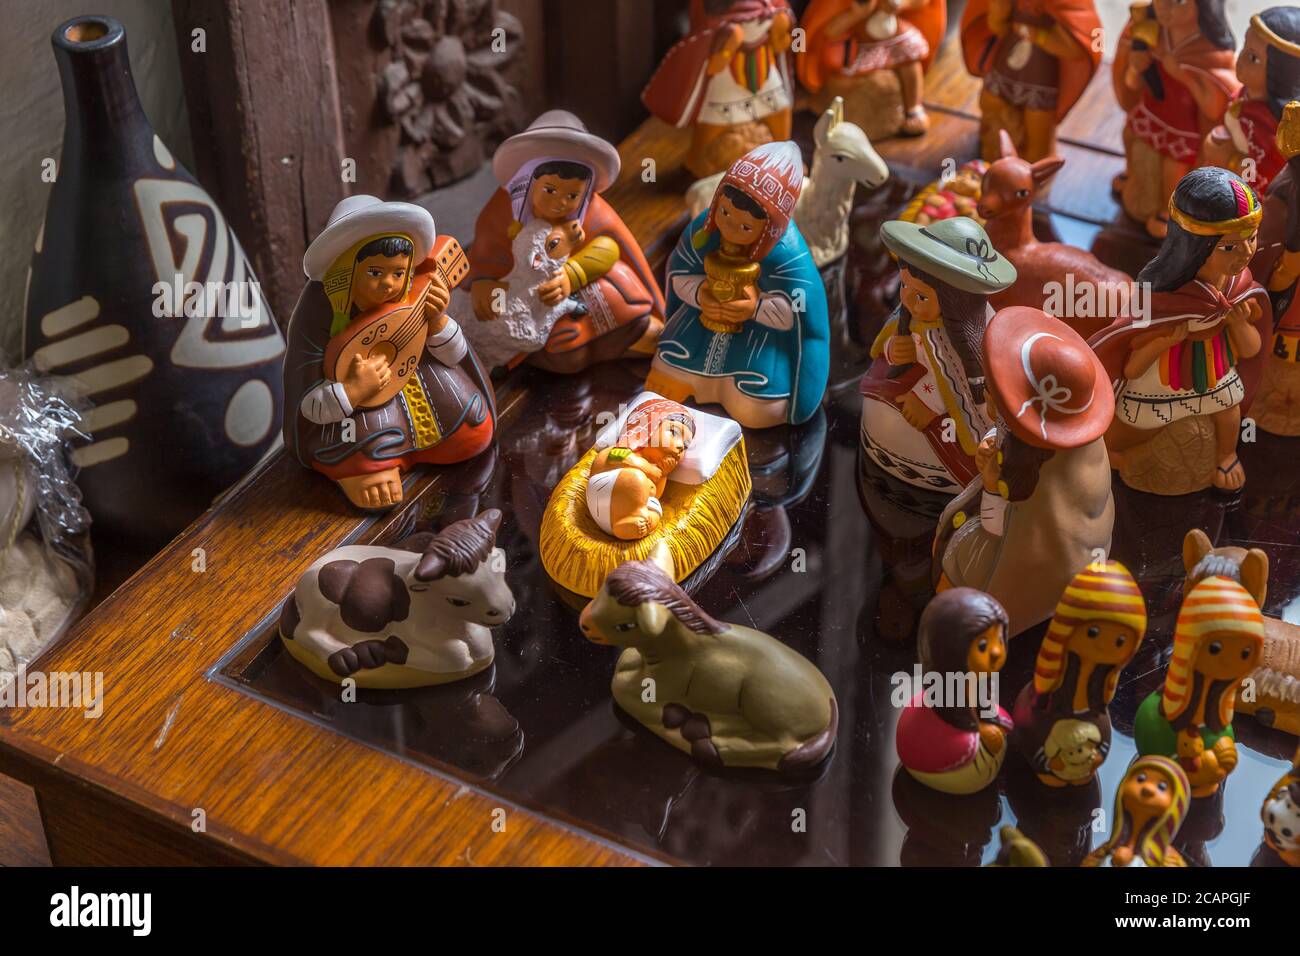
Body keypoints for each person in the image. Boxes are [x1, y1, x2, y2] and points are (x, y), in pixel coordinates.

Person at [283, 196, 494, 510]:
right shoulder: (319, 309)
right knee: (367, 435)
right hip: (355, 407)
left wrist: (436, 322)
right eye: (375, 273)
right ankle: (364, 468)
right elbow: (306, 394)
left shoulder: (414, 293)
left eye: (398, 274)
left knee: (473, 430)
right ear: (346, 273)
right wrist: (352, 392)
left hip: (421, 380)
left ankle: (414, 450)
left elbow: (454, 358)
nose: (388, 285)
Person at [1090, 166, 1270, 491]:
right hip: (1163, 378)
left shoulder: (1238, 290)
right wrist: (1162, 343)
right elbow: (1131, 367)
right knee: (1130, 426)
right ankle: (1115, 453)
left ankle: (1226, 455)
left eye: (1252, 238)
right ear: (1193, 248)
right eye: (1229, 247)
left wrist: (1239, 322)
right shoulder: (1161, 299)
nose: (1246, 253)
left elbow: (1251, 349)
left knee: (1229, 410)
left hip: (1214, 372)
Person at [464, 111, 665, 374]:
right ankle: (527, 355)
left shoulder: (591, 211)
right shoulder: (503, 210)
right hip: (525, 301)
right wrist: (482, 282)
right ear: (527, 182)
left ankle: (606, 338)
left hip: (574, 295)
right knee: (566, 355)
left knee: (623, 285)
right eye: (550, 190)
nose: (560, 203)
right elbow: (486, 254)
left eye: (572, 195)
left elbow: (614, 248)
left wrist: (572, 275)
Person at [646, 141, 829, 429]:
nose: (729, 228)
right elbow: (679, 272)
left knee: (756, 410)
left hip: (758, 340)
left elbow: (803, 312)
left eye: (745, 227)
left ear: (770, 227)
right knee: (665, 377)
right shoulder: (705, 231)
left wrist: (756, 307)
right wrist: (699, 293)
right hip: (697, 328)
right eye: (725, 213)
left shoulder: (786, 253)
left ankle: (738, 391)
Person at [860, 216, 1015, 493]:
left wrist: (929, 400)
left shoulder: (972, 340)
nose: (907, 299)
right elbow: (887, 347)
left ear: (954, 301)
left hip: (947, 413)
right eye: (904, 286)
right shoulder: (909, 314)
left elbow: (959, 381)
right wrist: (894, 350)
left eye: (921, 296)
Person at [643, 0, 796, 177]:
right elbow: (713, 63)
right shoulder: (723, 19)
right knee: (715, 119)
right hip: (728, 76)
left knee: (780, 109)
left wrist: (781, 27)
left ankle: (784, 160)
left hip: (764, 64)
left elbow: (781, 43)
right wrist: (727, 47)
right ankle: (699, 162)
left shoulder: (771, 8)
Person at [961, 0, 1102, 162]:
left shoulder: (1065, 5)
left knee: (1037, 128)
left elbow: (1078, 46)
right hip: (1006, 62)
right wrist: (999, 13)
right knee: (992, 103)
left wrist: (1038, 35)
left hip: (1040, 73)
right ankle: (993, 150)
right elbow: (996, 27)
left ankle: (1032, 163)